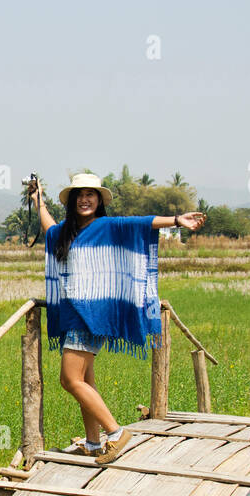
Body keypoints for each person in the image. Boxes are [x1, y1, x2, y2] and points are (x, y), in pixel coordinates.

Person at [29, 172, 206, 464]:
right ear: (73, 201)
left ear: (99, 200)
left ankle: (115, 432)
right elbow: (49, 230)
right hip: (76, 315)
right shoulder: (67, 232)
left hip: (88, 317)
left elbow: (140, 222)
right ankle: (94, 442)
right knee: (85, 380)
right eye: (79, 195)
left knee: (70, 380)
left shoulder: (106, 226)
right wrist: (39, 203)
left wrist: (177, 220)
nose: (85, 199)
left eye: (90, 194)